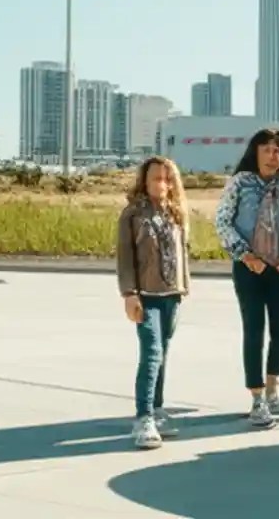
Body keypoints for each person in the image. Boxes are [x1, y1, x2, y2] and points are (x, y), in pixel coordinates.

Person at [214, 128, 279, 428]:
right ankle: (257, 397)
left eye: (278, 150)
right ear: (255, 152)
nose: (273, 156)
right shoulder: (240, 183)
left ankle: (273, 388)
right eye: (267, 149)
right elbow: (222, 222)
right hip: (249, 267)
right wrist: (245, 256)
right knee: (254, 330)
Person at [116, 156, 191, 450]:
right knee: (152, 353)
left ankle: (157, 410)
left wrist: (184, 286)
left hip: (172, 294)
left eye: (167, 178)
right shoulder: (133, 215)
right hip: (146, 295)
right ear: (144, 182)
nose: (162, 184)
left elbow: (183, 253)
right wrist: (129, 294)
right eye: (156, 179)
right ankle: (143, 417)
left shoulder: (176, 213)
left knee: (163, 354)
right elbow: (125, 258)